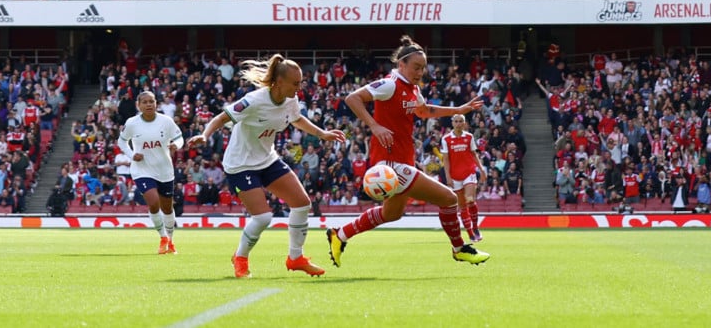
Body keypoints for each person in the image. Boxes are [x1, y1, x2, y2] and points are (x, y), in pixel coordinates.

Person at [326, 36, 490, 267]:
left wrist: (459, 109)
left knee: (392, 214)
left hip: (403, 160)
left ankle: (340, 234)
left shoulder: (413, 89)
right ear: (401, 65)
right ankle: (459, 248)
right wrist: (374, 125)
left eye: (423, 67)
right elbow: (353, 98)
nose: (420, 71)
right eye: (416, 67)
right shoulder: (389, 84)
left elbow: (424, 111)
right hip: (391, 163)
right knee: (449, 198)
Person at [188, 54, 345, 278]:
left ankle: (295, 258)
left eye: (300, 82)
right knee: (262, 218)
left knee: (301, 204)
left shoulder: (291, 100)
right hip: (241, 165)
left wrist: (322, 133)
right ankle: (240, 257)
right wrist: (204, 135)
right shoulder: (254, 100)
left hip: (267, 159)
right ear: (279, 82)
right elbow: (222, 118)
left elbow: (296, 118)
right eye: (295, 83)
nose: (299, 87)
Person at [118, 91, 185, 254]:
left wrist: (177, 145)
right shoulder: (132, 123)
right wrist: (132, 155)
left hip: (164, 170)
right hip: (142, 169)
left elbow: (179, 137)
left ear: (156, 104)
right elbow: (122, 142)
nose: (149, 104)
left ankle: (170, 240)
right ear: (138, 105)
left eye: (152, 101)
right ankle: (162, 237)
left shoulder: (166, 121)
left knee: (167, 208)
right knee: (153, 202)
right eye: (145, 102)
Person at [441, 113, 487, 242]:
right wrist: (448, 178)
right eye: (456, 121)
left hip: (469, 172)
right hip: (455, 176)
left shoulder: (469, 137)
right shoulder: (446, 139)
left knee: (470, 200)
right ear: (452, 123)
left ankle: (476, 227)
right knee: (462, 206)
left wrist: (481, 169)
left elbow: (473, 154)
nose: (458, 123)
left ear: (464, 123)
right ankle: (470, 233)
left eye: (461, 121)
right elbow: (446, 159)